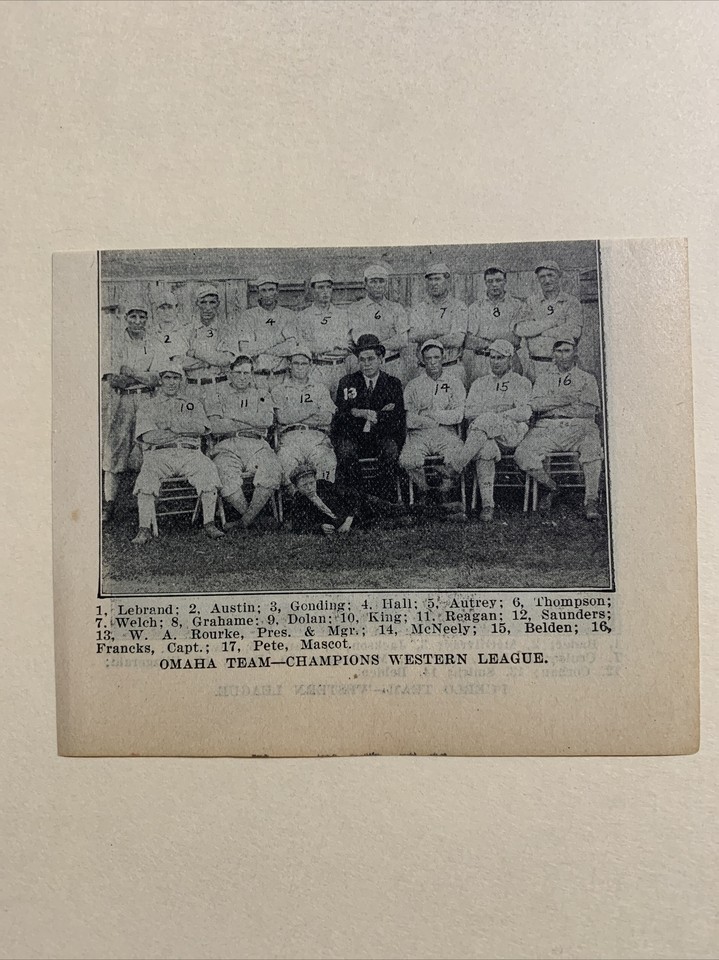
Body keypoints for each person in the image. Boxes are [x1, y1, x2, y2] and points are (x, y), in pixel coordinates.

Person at [130, 364, 225, 545]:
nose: (172, 382)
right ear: (160, 380)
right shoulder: (149, 405)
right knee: (146, 477)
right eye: (167, 377)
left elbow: (201, 428)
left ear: (181, 380)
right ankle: (144, 529)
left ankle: (209, 523)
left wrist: (171, 427)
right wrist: (182, 430)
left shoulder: (192, 403)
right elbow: (148, 436)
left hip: (189, 452)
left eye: (176, 378)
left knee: (208, 468)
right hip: (159, 454)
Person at [514, 338, 603, 520]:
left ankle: (591, 501)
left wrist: (553, 403)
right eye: (559, 351)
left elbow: (589, 410)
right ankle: (553, 487)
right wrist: (569, 398)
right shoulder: (544, 378)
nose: (563, 355)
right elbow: (536, 405)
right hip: (548, 426)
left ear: (575, 353)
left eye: (567, 350)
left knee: (593, 448)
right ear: (553, 355)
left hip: (579, 426)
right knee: (522, 454)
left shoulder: (586, 378)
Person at [449, 339, 532, 522]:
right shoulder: (480, 383)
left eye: (500, 358)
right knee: (485, 449)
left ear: (510, 359)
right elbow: (469, 412)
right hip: (485, 435)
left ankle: (456, 466)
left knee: (487, 419)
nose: (495, 362)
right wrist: (494, 414)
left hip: (511, 434)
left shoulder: (520, 382)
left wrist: (498, 414)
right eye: (492, 357)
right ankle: (488, 505)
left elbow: (525, 412)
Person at [101, 298, 162, 522]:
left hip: (147, 399)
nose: (137, 321)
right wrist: (140, 376)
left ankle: (148, 500)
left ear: (147, 318)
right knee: (115, 449)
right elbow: (115, 380)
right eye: (133, 316)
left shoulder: (154, 343)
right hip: (123, 401)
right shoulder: (115, 343)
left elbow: (157, 378)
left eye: (142, 316)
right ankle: (109, 504)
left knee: (148, 448)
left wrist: (132, 372)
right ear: (126, 318)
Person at [206, 355, 282, 531]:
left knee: (272, 468)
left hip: (256, 445)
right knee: (224, 473)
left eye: (246, 373)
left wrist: (232, 417)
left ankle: (244, 521)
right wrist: (251, 420)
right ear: (230, 373)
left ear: (252, 374)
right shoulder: (216, 394)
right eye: (238, 372)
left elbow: (266, 420)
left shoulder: (261, 394)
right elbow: (215, 426)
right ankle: (255, 518)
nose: (242, 377)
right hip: (227, 446)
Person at [332, 333, 406, 502]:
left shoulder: (393, 384)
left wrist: (376, 415)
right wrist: (356, 412)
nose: (366, 364)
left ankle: (383, 500)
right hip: (355, 436)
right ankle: (356, 500)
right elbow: (341, 417)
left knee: (391, 449)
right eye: (362, 360)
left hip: (381, 435)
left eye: (371, 359)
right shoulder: (347, 382)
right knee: (345, 450)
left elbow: (397, 419)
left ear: (380, 359)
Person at [399, 339, 466, 504]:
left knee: (458, 456)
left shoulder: (454, 383)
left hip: (446, 432)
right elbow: (409, 419)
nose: (433, 362)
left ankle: (445, 491)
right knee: (408, 459)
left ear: (443, 358)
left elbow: (458, 415)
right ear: (422, 360)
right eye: (428, 358)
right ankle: (424, 491)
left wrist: (433, 415)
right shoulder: (414, 385)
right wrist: (428, 421)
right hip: (419, 434)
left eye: (436, 357)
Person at [270, 345, 337, 485]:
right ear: (289, 364)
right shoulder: (279, 390)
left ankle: (322, 502)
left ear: (310, 365)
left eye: (304, 363)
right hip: (290, 440)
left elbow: (327, 418)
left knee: (327, 463)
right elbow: (282, 417)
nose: (300, 367)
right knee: (285, 464)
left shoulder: (320, 389)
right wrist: (312, 410)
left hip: (317, 439)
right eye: (296, 363)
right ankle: (297, 503)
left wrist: (294, 414)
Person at [282, 272, 352, 399]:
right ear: (313, 290)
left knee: (342, 407)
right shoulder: (303, 316)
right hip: (317, 368)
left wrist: (324, 347)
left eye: (328, 287)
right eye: (320, 287)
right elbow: (302, 346)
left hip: (341, 367)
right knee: (319, 406)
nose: (325, 291)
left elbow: (348, 344)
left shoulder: (342, 315)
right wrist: (332, 345)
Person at [288, 462, 407, 535]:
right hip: (354, 521)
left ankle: (420, 511)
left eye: (311, 482)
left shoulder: (324, 485)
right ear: (296, 487)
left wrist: (349, 519)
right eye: (304, 485)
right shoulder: (299, 501)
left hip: (361, 506)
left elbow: (353, 496)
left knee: (393, 510)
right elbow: (298, 526)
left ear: (315, 480)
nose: (309, 487)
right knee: (389, 523)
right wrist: (320, 528)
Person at [513, 260, 583, 382]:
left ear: (559, 276)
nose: (547, 280)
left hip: (562, 366)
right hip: (535, 365)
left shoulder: (571, 302)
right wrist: (551, 323)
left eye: (550, 275)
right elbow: (520, 329)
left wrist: (538, 332)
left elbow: (574, 332)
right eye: (542, 277)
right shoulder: (531, 302)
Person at [347, 263, 409, 383]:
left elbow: (403, 339)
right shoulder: (355, 308)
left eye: (381, 281)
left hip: (391, 364)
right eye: (373, 281)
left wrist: (376, 346)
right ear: (365, 284)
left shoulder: (396, 308)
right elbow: (355, 338)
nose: (378, 286)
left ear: (386, 284)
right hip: (366, 367)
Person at [408, 262, 469, 384]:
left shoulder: (458, 307)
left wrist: (427, 338)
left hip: (450, 367)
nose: (433, 283)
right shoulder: (419, 308)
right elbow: (413, 335)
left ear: (447, 281)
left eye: (437, 279)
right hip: (424, 369)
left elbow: (457, 340)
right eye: (430, 279)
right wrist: (439, 333)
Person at [465, 265, 523, 382]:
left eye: (498, 280)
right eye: (490, 281)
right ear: (485, 283)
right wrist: (498, 342)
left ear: (505, 281)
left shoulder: (516, 305)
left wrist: (485, 341)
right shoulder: (476, 307)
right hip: (483, 360)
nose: (494, 285)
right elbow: (469, 341)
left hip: (508, 360)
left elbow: (516, 338)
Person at [237, 274, 295, 391]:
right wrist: (278, 343)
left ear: (277, 291)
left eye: (271, 290)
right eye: (263, 290)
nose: (268, 294)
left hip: (282, 377)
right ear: (258, 293)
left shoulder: (288, 314)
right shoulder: (248, 316)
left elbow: (292, 346)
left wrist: (261, 347)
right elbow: (245, 349)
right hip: (258, 377)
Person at [185, 283, 237, 403]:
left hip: (218, 387)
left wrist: (195, 353)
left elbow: (225, 360)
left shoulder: (227, 330)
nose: (208, 307)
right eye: (203, 302)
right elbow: (180, 362)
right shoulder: (187, 330)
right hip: (192, 388)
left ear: (218, 304)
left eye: (212, 302)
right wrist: (211, 361)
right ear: (197, 304)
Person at [149, 289, 190, 369]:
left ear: (176, 308)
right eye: (162, 308)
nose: (166, 312)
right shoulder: (151, 333)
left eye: (170, 307)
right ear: (156, 310)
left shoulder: (186, 331)